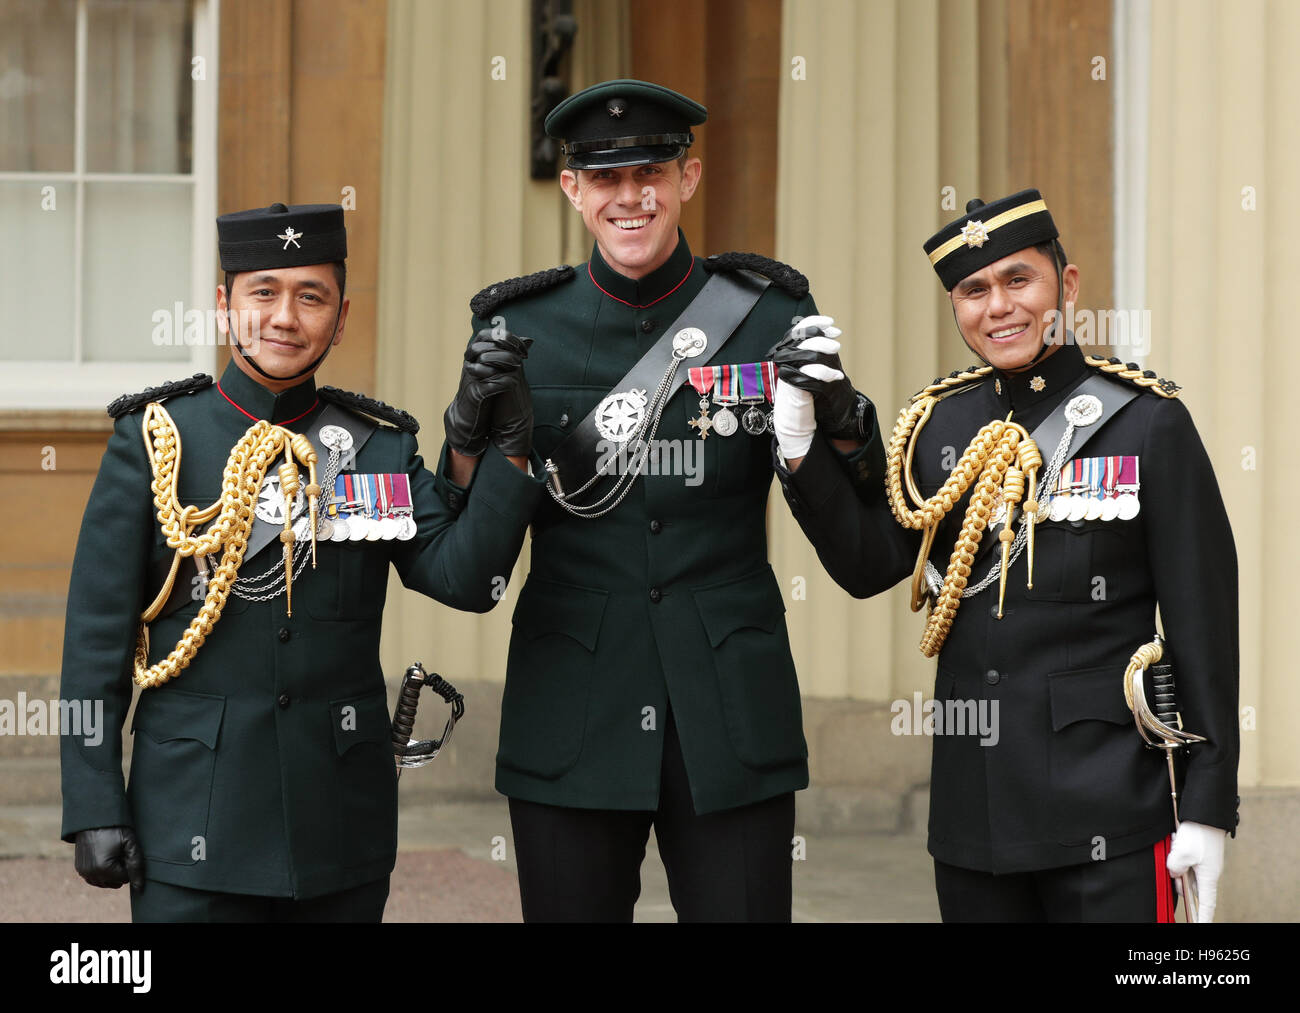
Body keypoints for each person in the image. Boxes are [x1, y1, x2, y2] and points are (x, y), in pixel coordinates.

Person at [440, 79, 880, 922]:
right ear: (573, 189)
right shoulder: (515, 332)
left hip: (729, 714)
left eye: (652, 171)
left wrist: (847, 426)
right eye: (606, 178)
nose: (631, 196)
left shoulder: (767, 315)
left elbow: (864, 553)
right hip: (571, 711)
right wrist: (468, 437)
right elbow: (463, 566)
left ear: (690, 177)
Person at [59, 201, 538, 922]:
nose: (285, 317)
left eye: (310, 296)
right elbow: (95, 638)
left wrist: (500, 444)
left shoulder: (378, 447)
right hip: (193, 820)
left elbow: (465, 579)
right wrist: (94, 802)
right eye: (264, 292)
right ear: (226, 306)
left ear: (340, 318)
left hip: (337, 826)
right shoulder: (160, 439)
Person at [770, 189, 1240, 921]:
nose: (998, 307)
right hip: (975, 815)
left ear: (1068, 285)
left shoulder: (1146, 423)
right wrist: (799, 440)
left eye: (1019, 280)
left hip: (1110, 809)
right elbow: (869, 567)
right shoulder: (938, 424)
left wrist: (1208, 806)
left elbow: (1203, 626)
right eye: (973, 290)